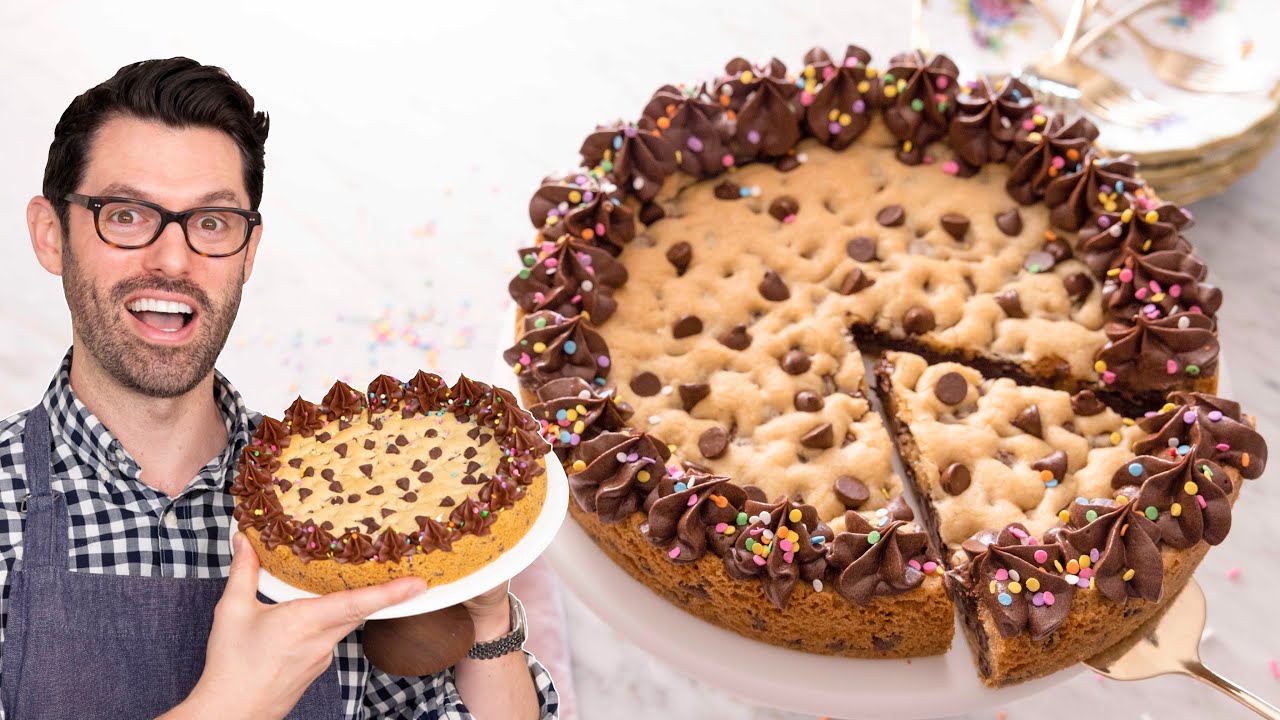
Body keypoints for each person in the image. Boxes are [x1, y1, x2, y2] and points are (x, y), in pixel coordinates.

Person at [1, 57, 557, 719]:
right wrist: (236, 703)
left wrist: (487, 615)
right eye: (125, 215)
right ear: (50, 235)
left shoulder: (343, 504)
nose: (173, 259)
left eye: (212, 222)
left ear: (249, 249)